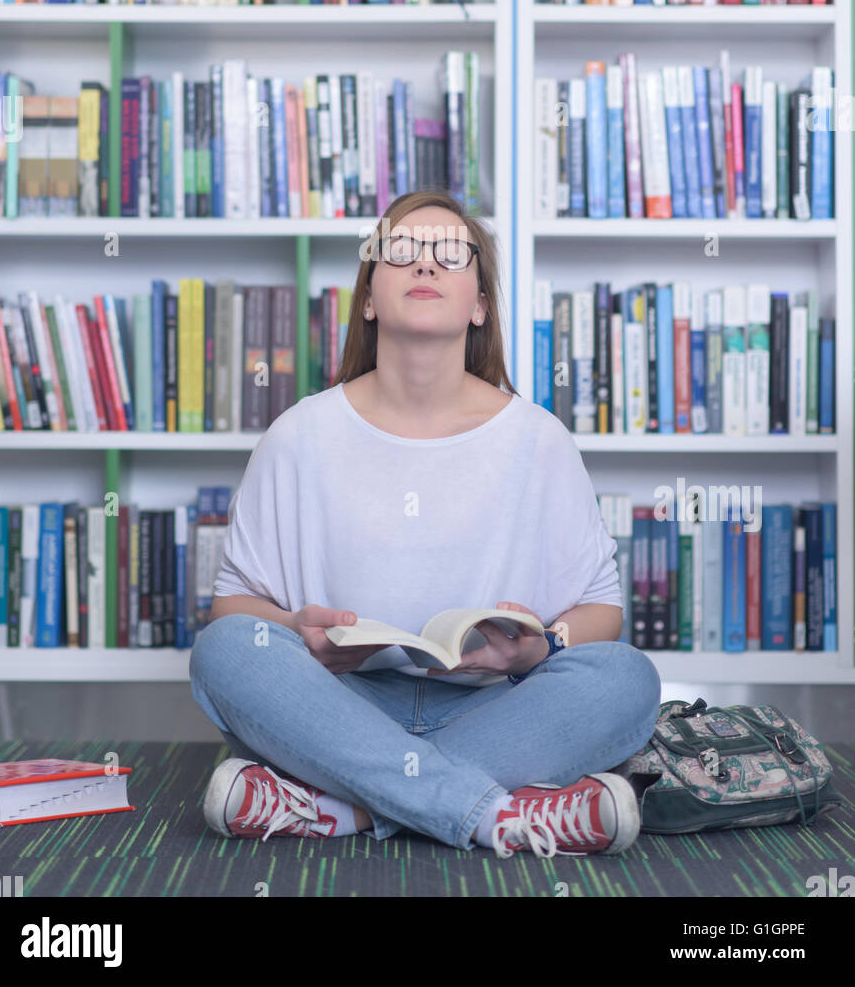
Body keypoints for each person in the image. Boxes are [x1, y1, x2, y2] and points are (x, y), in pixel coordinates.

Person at [189, 191, 662, 858]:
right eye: (402, 251)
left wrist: (542, 647)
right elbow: (233, 606)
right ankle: (499, 813)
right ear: (370, 298)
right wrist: (298, 631)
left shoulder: (538, 439)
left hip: (492, 707)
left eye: (450, 253)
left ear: (478, 305)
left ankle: (337, 807)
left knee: (627, 680)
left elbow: (601, 608)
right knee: (228, 650)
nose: (426, 264)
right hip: (337, 707)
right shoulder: (298, 435)